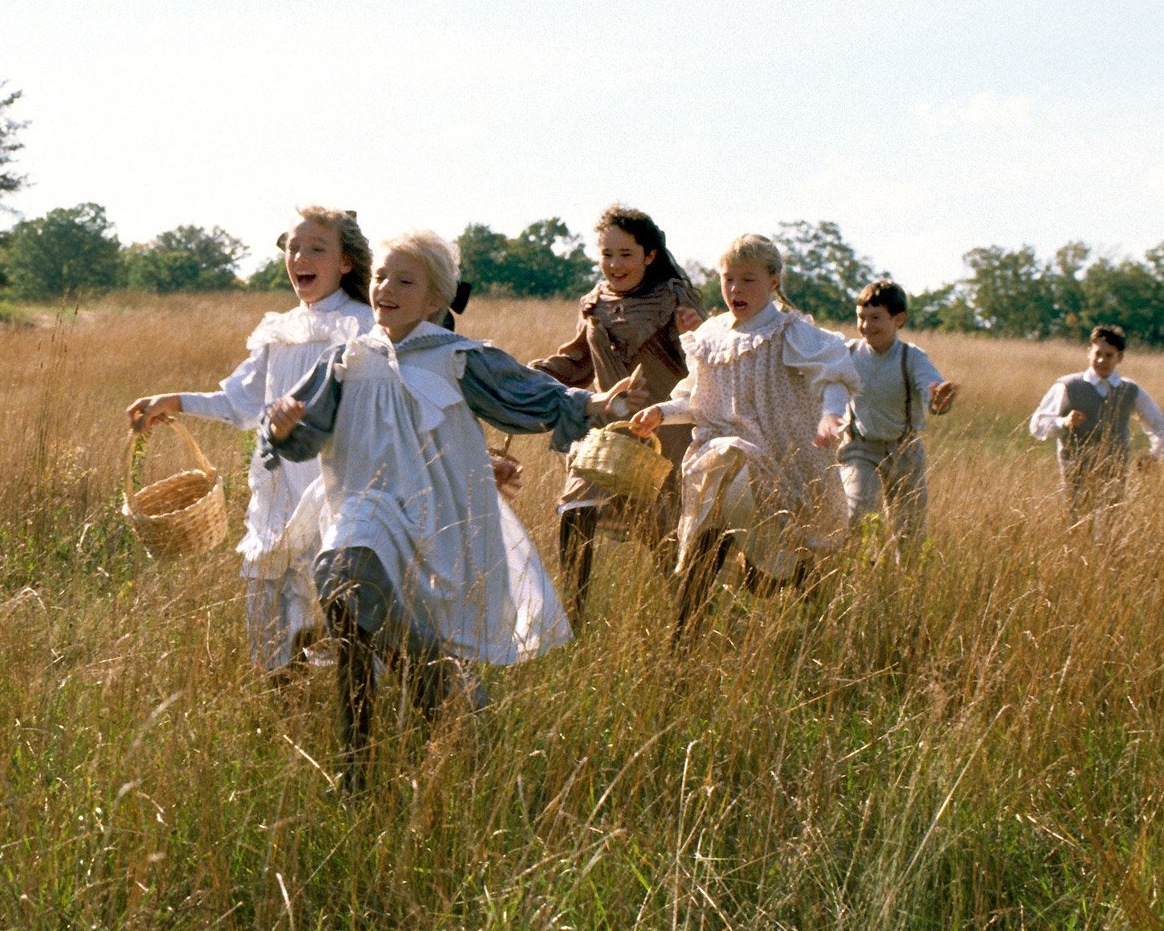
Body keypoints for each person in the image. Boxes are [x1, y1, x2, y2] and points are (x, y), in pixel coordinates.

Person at [262, 229, 643, 789]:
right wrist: (284, 426)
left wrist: (592, 402)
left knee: (354, 627)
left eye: (404, 281)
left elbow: (527, 397)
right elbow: (304, 433)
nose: (386, 288)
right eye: (380, 277)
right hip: (361, 503)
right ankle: (429, 696)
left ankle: (364, 763)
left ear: (436, 298)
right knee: (341, 573)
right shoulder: (346, 360)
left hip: (437, 514)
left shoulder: (458, 358)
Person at [126, 206, 375, 676]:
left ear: (345, 262)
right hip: (275, 503)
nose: (300, 256)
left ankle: (351, 732)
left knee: (339, 638)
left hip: (334, 502)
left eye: (317, 248)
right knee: (269, 649)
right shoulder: (278, 331)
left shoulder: (363, 327)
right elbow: (237, 403)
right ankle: (282, 711)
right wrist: (173, 401)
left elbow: (386, 416)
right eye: (293, 247)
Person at [628, 234, 859, 645]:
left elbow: (836, 376)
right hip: (723, 461)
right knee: (704, 541)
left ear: (773, 281)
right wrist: (660, 413)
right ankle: (681, 645)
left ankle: (806, 610)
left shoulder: (790, 331)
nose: (735, 290)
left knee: (778, 569)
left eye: (748, 280)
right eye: (728, 279)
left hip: (779, 463)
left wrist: (830, 417)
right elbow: (696, 400)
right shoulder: (712, 336)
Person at [531, 204, 706, 630]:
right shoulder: (593, 303)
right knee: (576, 510)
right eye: (607, 254)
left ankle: (689, 625)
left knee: (663, 534)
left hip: (666, 434)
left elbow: (707, 362)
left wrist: (698, 331)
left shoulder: (674, 297)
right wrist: (523, 376)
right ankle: (572, 618)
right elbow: (577, 362)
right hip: (607, 432)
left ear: (649, 255)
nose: (615, 264)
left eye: (626, 254)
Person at [839, 280, 958, 554]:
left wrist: (939, 400)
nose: (866, 326)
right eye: (861, 318)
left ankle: (905, 583)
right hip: (860, 446)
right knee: (856, 511)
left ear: (898, 320)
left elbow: (932, 390)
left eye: (876, 318)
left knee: (910, 533)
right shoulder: (849, 354)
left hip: (904, 449)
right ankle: (864, 562)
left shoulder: (911, 357)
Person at [1027, 324, 1164, 521]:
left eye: (1109, 355)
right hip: (1074, 473)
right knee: (1075, 527)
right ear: (1088, 353)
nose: (1102, 360)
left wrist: (1156, 456)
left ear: (1119, 358)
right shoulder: (1069, 386)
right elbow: (1037, 423)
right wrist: (1063, 422)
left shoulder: (1130, 390)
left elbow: (1159, 424)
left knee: (1111, 529)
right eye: (1097, 353)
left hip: (1115, 474)